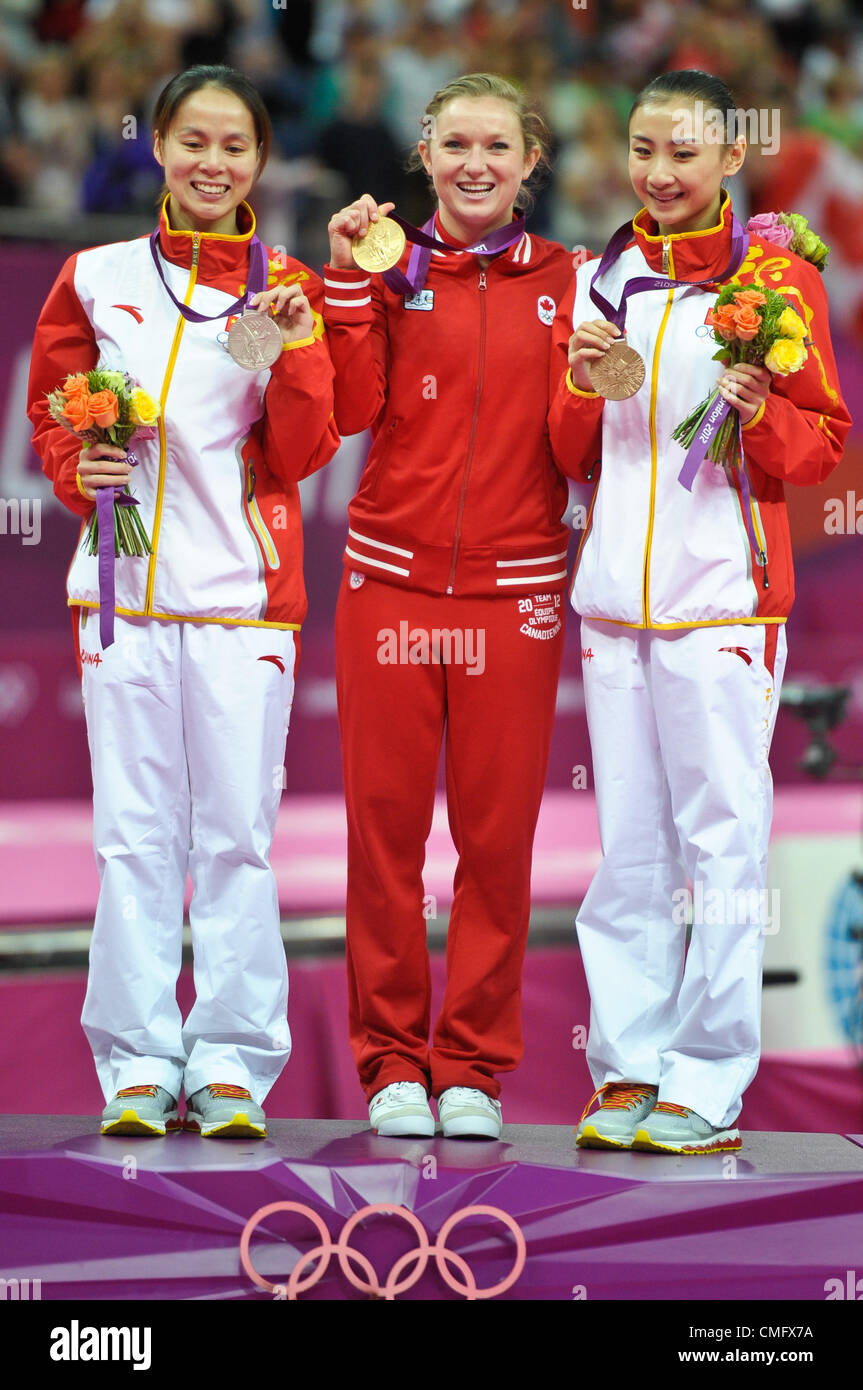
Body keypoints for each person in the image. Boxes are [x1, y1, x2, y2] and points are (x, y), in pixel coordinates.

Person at [27, 64, 339, 1139]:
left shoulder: (284, 285)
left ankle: (232, 1063)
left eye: (235, 146)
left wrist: (295, 346)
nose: (213, 163)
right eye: (194, 141)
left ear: (260, 160)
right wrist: (81, 467)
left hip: (241, 600)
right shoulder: (94, 274)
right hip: (119, 597)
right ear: (157, 146)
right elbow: (55, 415)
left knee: (238, 837)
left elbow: (303, 449)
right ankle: (136, 1064)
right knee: (132, 835)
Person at [548, 70, 851, 1154]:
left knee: (720, 841)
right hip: (611, 605)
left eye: (682, 152)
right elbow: (566, 454)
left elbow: (819, 445)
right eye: (641, 149)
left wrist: (760, 410)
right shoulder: (602, 275)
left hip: (720, 598)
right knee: (625, 846)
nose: (657, 171)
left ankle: (708, 1078)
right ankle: (626, 1065)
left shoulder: (775, 280)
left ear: (730, 159)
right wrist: (579, 388)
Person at [323, 72, 574, 1140]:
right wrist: (343, 287)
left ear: (528, 162)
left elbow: (581, 452)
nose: (476, 163)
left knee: (496, 841)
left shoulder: (577, 280)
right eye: (456, 144)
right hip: (386, 583)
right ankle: (388, 1060)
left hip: (514, 598)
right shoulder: (387, 267)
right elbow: (341, 414)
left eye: (497, 146)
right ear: (423, 154)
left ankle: (469, 1065)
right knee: (382, 838)